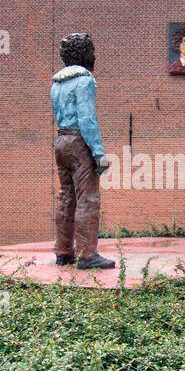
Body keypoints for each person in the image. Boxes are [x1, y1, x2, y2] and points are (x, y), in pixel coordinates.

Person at [51, 33, 116, 269]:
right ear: (84, 54)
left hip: (60, 141)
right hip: (79, 143)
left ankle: (63, 251)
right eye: (92, 50)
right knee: (87, 198)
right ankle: (88, 255)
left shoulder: (56, 83)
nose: (94, 55)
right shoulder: (85, 80)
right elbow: (87, 119)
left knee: (66, 197)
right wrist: (98, 152)